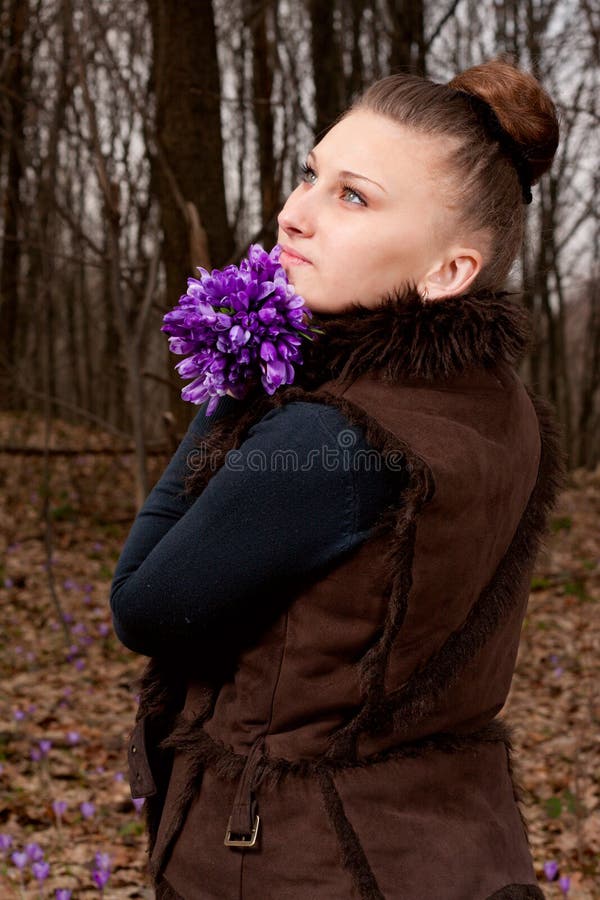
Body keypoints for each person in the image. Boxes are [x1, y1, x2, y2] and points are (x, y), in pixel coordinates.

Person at [110, 58, 566, 899]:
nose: (293, 216)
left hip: (296, 859)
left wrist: (233, 375)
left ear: (449, 271)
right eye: (310, 176)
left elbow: (143, 606)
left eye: (353, 197)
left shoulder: (332, 437)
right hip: (459, 850)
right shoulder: (506, 406)